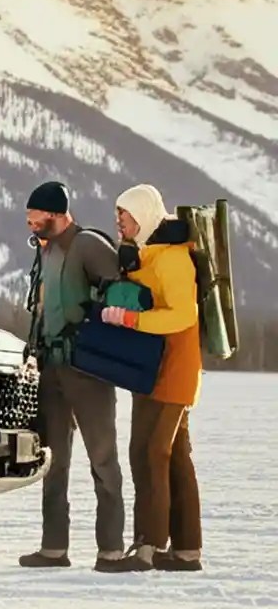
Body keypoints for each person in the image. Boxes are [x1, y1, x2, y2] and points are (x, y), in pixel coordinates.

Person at [19, 181, 127, 571]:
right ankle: (53, 549)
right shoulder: (46, 251)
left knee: (103, 459)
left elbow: (120, 294)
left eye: (36, 218)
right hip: (52, 370)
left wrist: (92, 325)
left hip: (89, 371)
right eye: (29, 219)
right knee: (53, 462)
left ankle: (111, 551)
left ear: (58, 214)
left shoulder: (89, 245)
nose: (30, 225)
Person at [97, 183, 204, 573]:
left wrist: (131, 319)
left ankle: (149, 546)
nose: (119, 220)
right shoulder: (150, 255)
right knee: (171, 454)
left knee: (152, 452)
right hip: (152, 368)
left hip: (175, 368)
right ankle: (186, 550)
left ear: (142, 214)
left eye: (123, 214)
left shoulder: (173, 259)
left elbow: (182, 315)